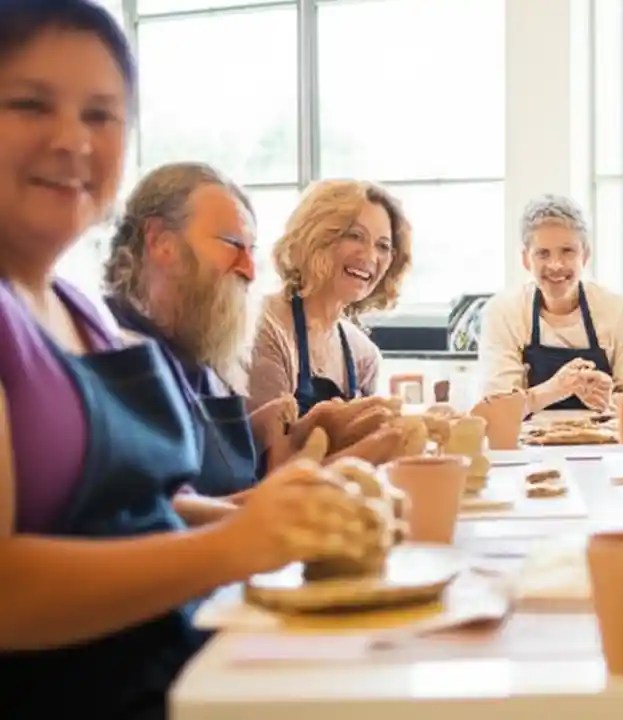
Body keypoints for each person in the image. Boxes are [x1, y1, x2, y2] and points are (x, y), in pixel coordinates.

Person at [0, 4, 370, 718]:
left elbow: (147, 510)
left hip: (184, 672)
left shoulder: (81, 316)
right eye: (30, 104)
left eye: (102, 115)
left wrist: (279, 510)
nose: (74, 139)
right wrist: (236, 547)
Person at [102, 163, 404, 506]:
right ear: (161, 242)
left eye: (251, 250)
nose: (247, 269)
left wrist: (288, 427)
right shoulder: (118, 358)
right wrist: (345, 468)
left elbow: (224, 471)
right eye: (232, 244)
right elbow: (167, 522)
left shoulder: (196, 355)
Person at [246, 178, 413, 415]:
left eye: (383, 246)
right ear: (317, 237)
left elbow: (368, 442)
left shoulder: (363, 355)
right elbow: (272, 448)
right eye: (355, 236)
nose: (370, 256)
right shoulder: (264, 328)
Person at [479, 194, 623, 413]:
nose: (556, 265)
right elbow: (496, 407)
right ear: (525, 259)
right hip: (528, 444)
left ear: (585, 255)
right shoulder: (503, 312)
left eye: (567, 251)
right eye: (543, 253)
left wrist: (610, 401)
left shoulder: (620, 311)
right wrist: (556, 389)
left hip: (605, 443)